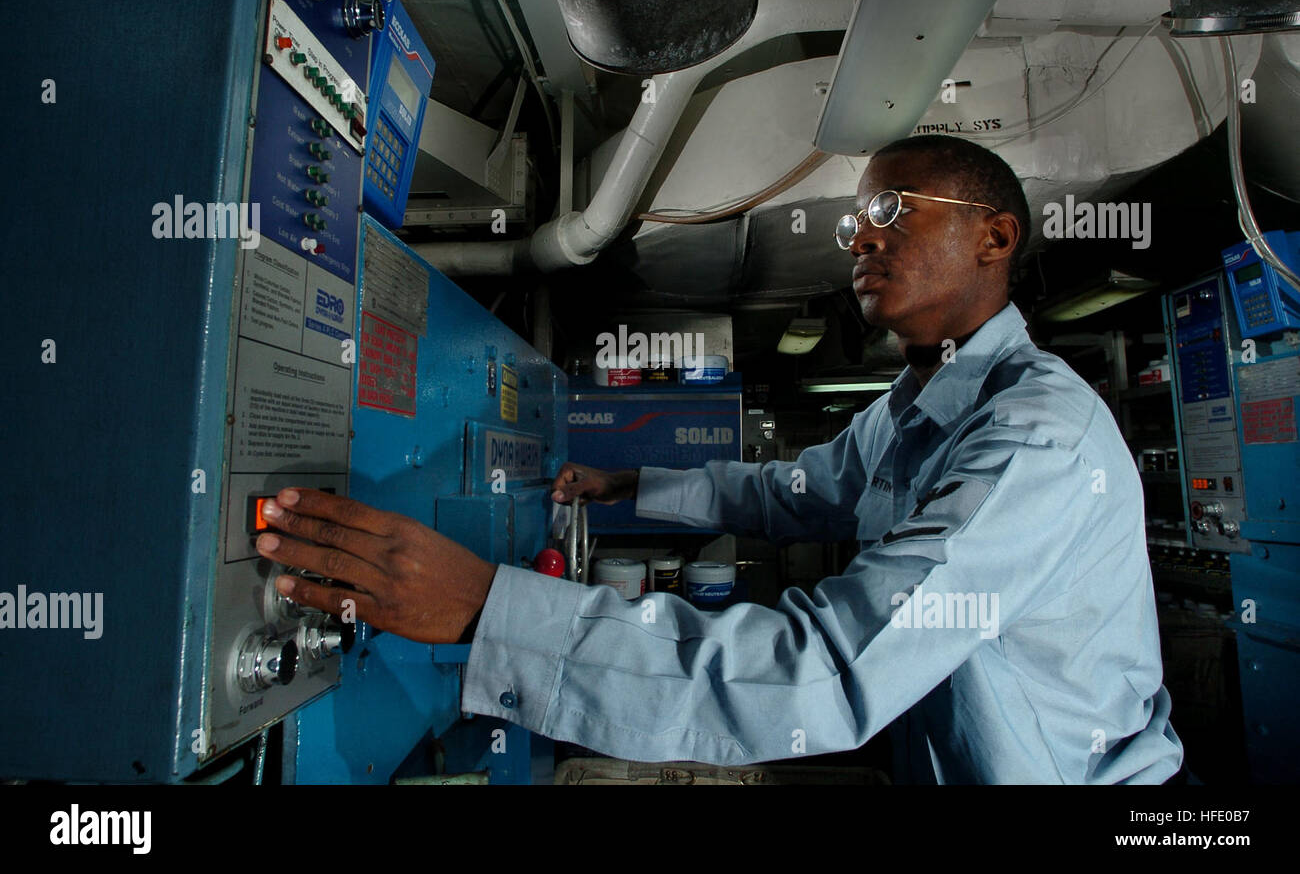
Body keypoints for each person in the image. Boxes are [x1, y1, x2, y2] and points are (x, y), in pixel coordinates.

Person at [255, 134, 1184, 783]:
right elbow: (794, 492)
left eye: (891, 211)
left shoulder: (1036, 437)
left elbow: (829, 664)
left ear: (996, 235)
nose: (859, 236)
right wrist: (633, 483)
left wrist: (486, 611)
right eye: (853, 221)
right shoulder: (911, 410)